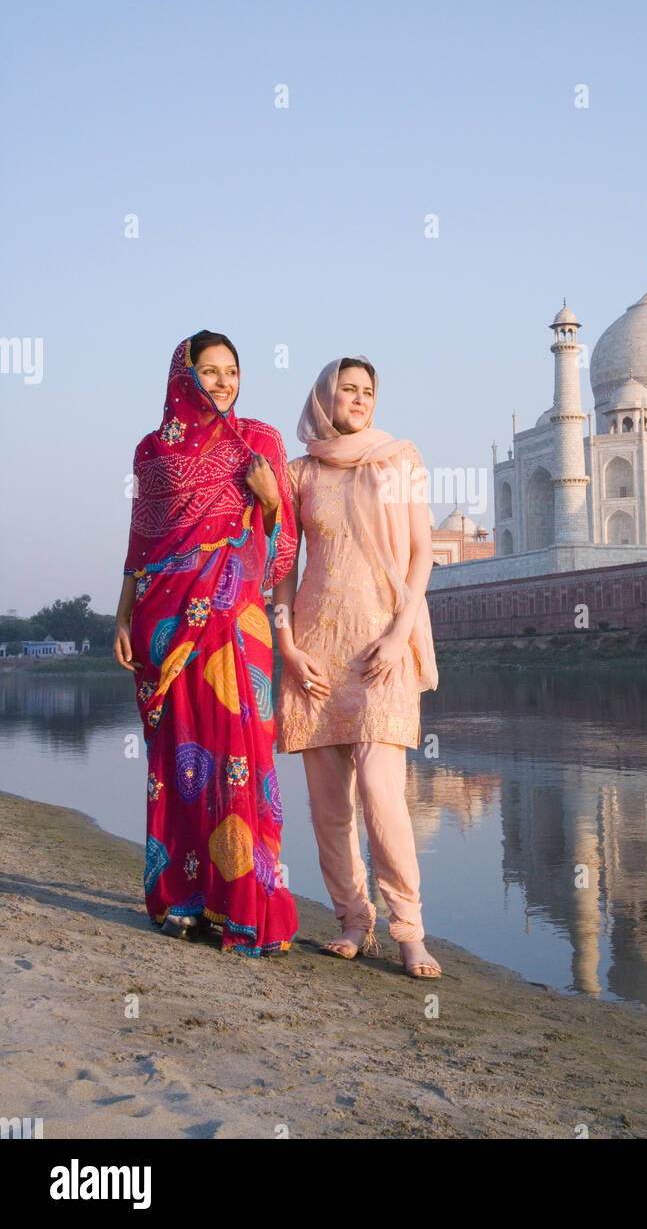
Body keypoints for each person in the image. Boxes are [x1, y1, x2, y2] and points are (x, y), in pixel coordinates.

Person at [113, 331, 299, 955]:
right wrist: (120, 615)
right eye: (209, 371)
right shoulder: (152, 451)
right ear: (184, 376)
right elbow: (141, 543)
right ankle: (183, 898)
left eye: (231, 372)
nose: (222, 382)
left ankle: (243, 898)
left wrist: (270, 499)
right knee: (179, 762)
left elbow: (278, 552)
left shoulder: (260, 441)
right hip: (165, 624)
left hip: (236, 619)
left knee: (243, 751)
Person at [273, 356, 441, 978]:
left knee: (381, 793)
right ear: (324, 398)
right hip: (315, 650)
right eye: (349, 390)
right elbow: (281, 570)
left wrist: (401, 633)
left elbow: (423, 551)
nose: (361, 399)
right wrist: (287, 648)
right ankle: (352, 920)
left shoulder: (398, 460)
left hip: (381, 646)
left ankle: (409, 930)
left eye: (369, 391)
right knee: (328, 807)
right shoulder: (298, 475)